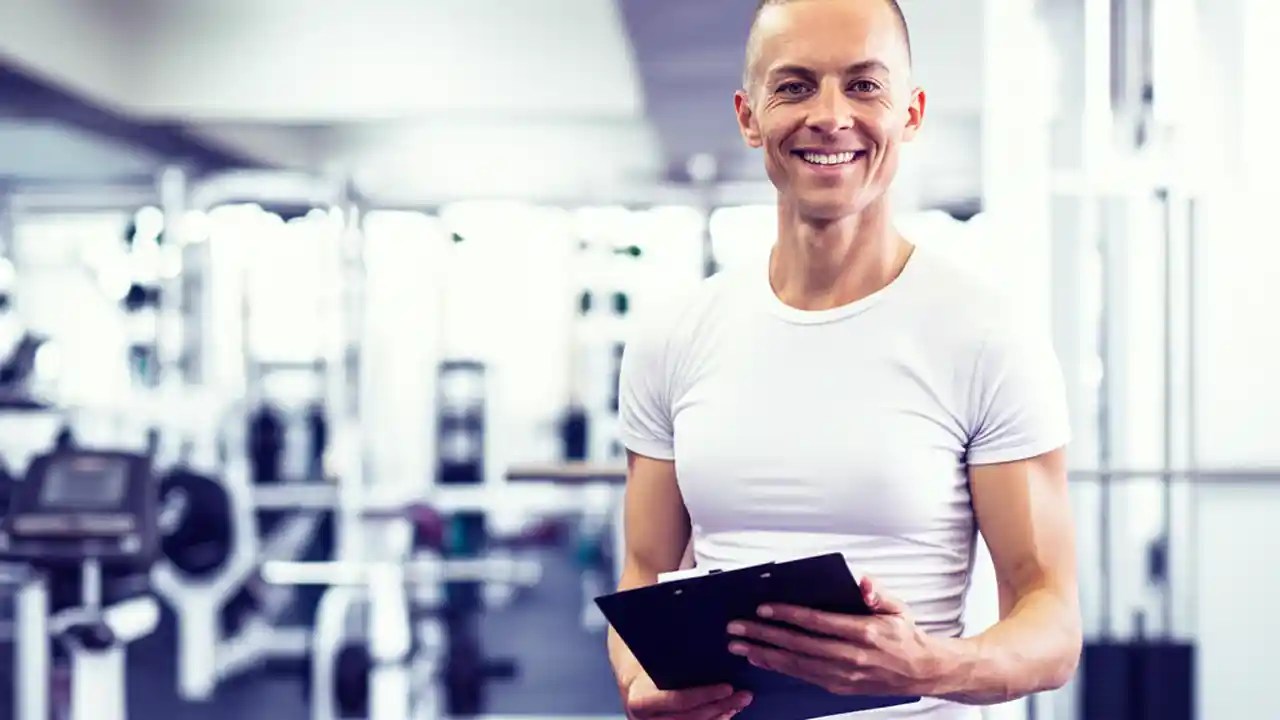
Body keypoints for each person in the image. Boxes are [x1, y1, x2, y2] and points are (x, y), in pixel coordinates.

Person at [607, 0, 1082, 718]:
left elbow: (1051, 623)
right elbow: (646, 566)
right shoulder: (674, 333)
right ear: (749, 115)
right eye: (795, 86)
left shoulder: (987, 335)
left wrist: (931, 663)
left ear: (912, 114)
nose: (830, 115)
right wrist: (638, 683)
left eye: (864, 85)